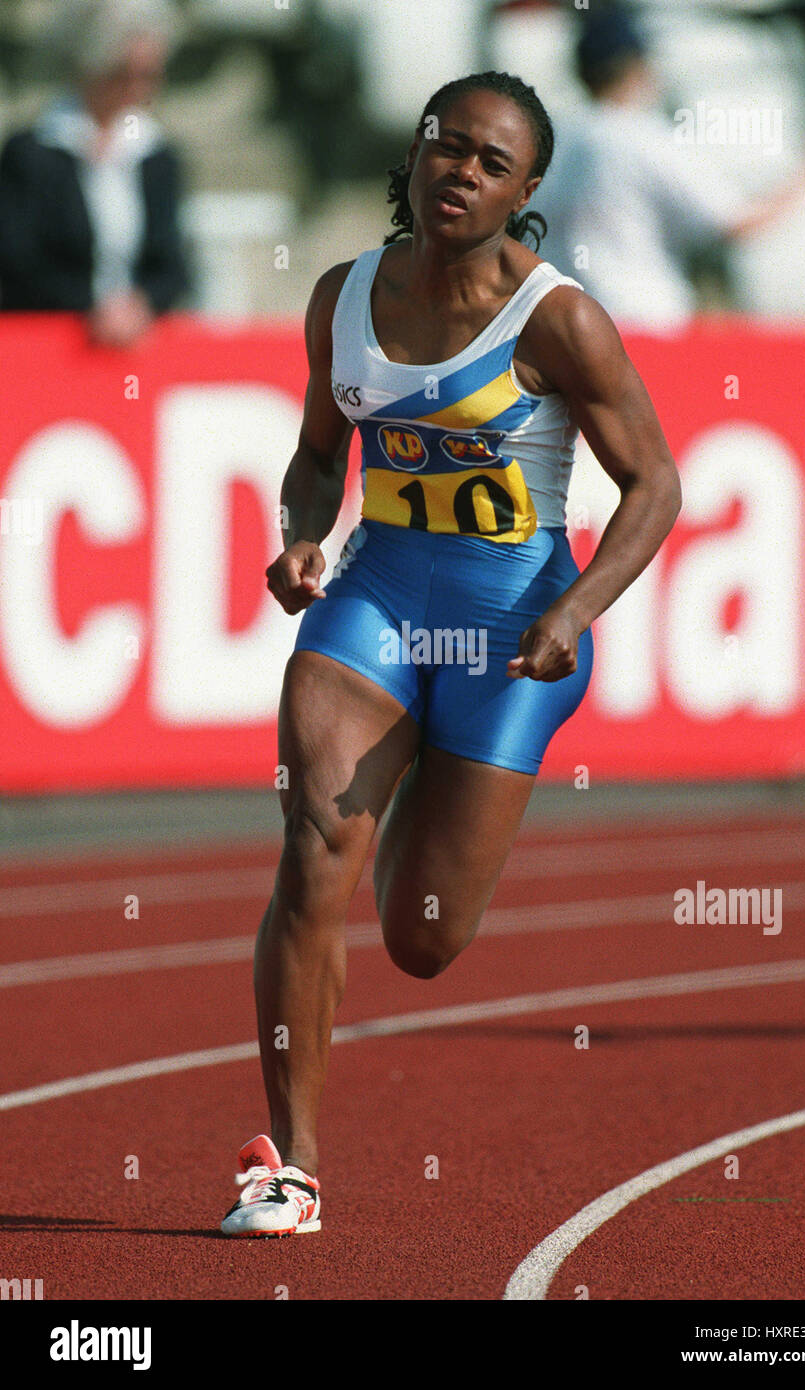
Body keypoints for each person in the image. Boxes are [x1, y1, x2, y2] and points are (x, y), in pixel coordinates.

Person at [220, 70, 682, 1237]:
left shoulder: (559, 318)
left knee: (422, 938)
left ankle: (420, 757)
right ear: (415, 154)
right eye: (445, 146)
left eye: (490, 161)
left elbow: (655, 482)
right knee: (314, 845)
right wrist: (300, 541)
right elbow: (321, 454)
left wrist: (574, 610)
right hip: (374, 596)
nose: (459, 172)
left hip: (506, 631)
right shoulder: (344, 294)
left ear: (525, 189)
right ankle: (293, 1166)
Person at [539, 7, 805, 331]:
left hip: (561, 330)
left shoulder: (551, 139)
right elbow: (736, 222)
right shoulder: (642, 135)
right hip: (642, 325)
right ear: (639, 68)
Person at [0, 0, 188, 347]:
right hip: (47, 343)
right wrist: (92, 306)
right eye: (124, 74)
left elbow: (173, 265)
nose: (139, 89)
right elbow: (17, 262)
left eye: (150, 75)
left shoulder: (156, 154)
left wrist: (139, 304)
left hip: (132, 343)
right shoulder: (32, 152)